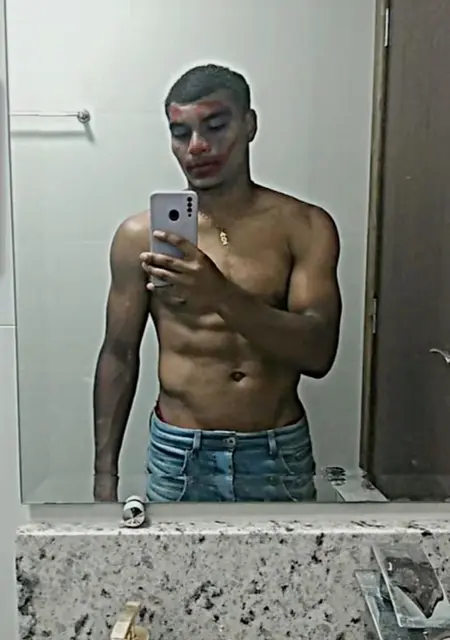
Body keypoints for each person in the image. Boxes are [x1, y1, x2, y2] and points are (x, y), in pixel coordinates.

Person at [93, 63, 342, 503]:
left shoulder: (304, 227)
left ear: (250, 125)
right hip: (180, 452)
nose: (197, 146)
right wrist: (103, 476)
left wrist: (219, 294)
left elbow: (318, 353)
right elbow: (118, 355)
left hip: (276, 452)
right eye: (180, 132)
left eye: (215, 125)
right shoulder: (140, 237)